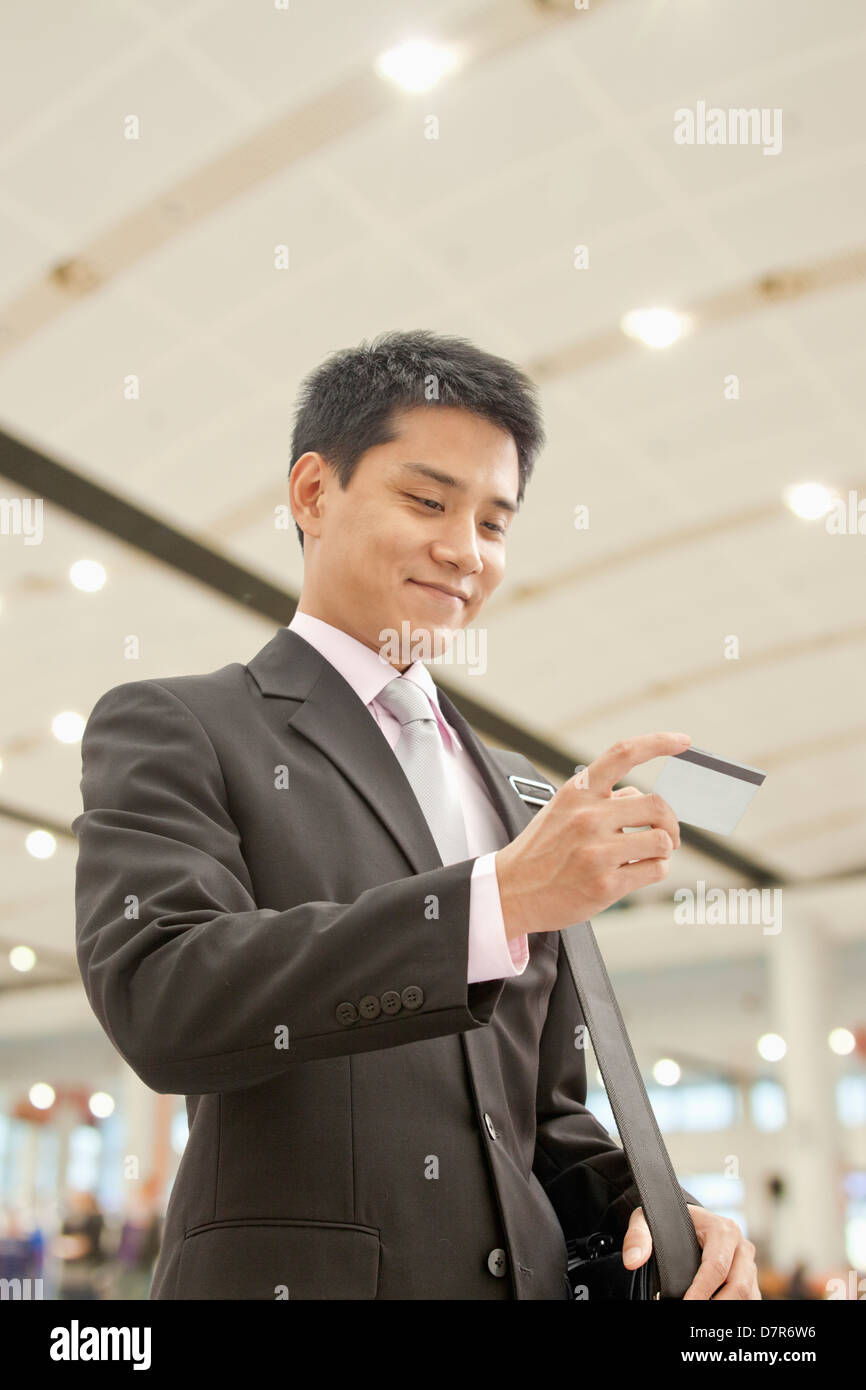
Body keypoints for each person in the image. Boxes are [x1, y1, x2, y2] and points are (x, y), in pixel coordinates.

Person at [72, 329, 758, 1300]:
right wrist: (488, 904)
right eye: (427, 501)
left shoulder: (519, 789)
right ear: (313, 493)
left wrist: (644, 1203)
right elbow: (163, 996)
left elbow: (539, 1115)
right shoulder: (181, 724)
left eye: (493, 522)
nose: (463, 550)